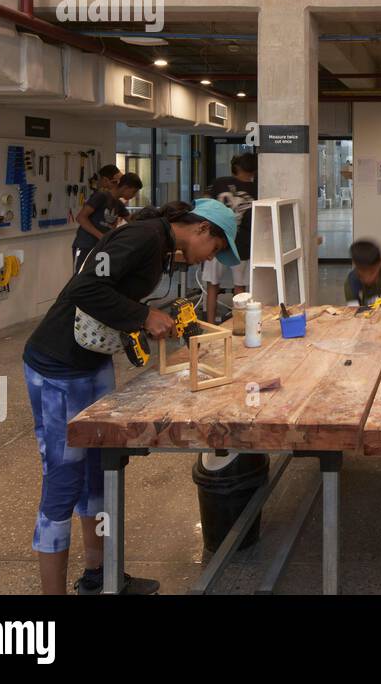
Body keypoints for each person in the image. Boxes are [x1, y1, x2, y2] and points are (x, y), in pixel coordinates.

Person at [23, 198, 239, 595]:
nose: (213, 259)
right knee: (63, 481)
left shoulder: (161, 247)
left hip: (92, 361)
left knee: (99, 471)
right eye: (217, 249)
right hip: (57, 366)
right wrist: (143, 317)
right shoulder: (143, 236)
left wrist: (152, 316)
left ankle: (99, 577)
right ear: (203, 230)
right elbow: (84, 287)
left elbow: (116, 293)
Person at [201, 153, 257, 322]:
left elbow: (205, 205)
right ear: (254, 170)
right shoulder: (256, 189)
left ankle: (210, 324)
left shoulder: (218, 183)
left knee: (212, 285)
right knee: (239, 287)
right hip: (241, 244)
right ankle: (238, 325)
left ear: (236, 167)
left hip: (215, 241)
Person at [72, 170, 141, 270]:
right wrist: (101, 236)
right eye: (134, 192)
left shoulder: (119, 204)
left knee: (101, 280)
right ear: (126, 187)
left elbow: (132, 221)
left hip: (103, 248)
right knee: (80, 279)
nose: (134, 195)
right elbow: (81, 218)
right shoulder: (101, 196)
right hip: (86, 246)